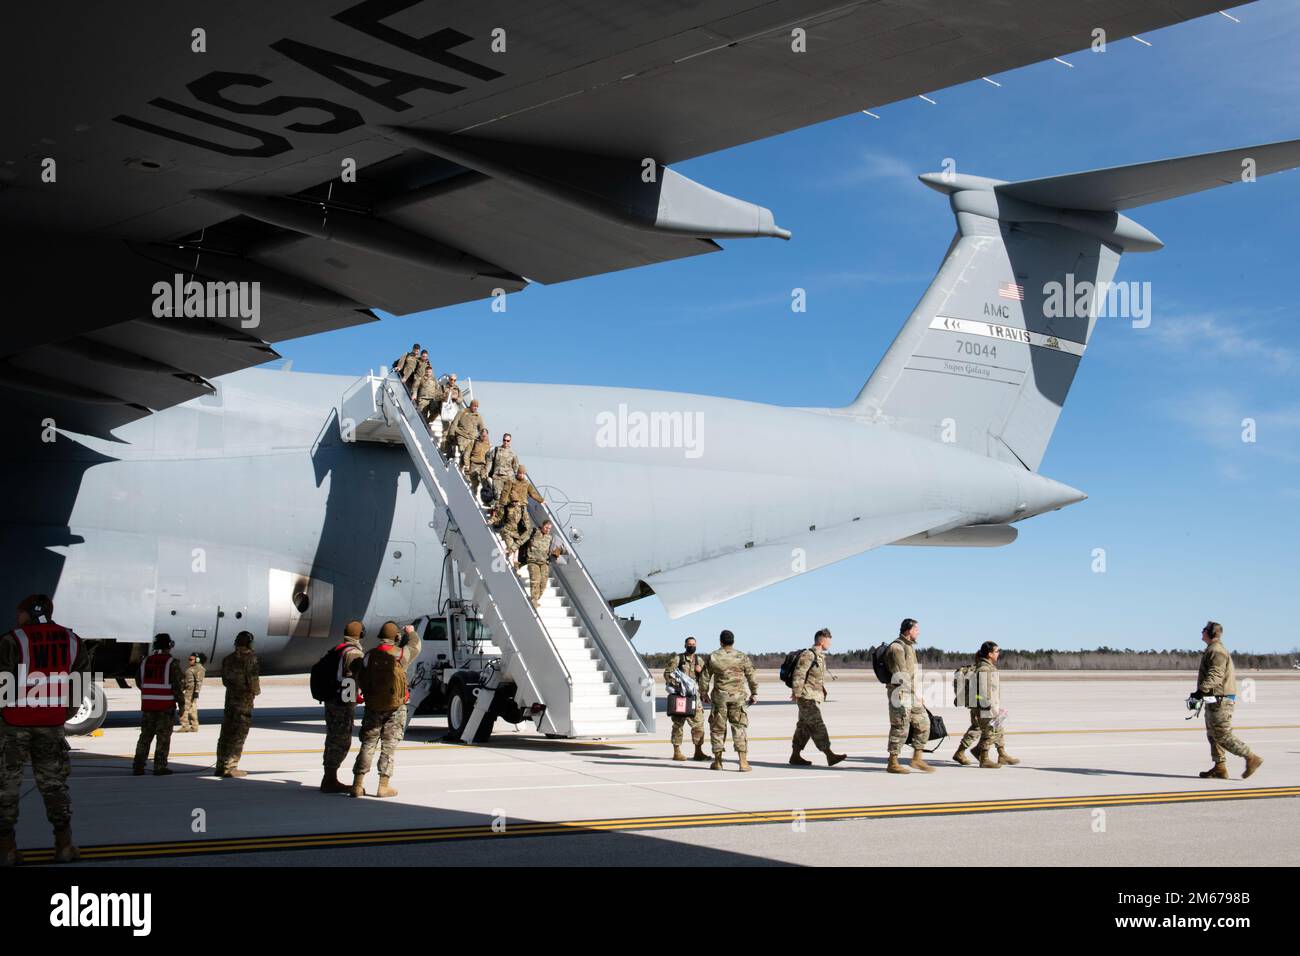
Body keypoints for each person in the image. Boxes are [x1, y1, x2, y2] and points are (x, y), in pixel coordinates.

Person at [0, 594, 88, 865]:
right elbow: (80, 684)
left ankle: (6, 851)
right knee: (54, 787)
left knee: (6, 787)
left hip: (13, 725)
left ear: (28, 612)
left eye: (20, 613)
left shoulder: (13, 640)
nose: (17, 618)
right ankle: (64, 846)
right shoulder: (73, 641)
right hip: (51, 725)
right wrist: (64, 714)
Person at [351, 622, 422, 798]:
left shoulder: (369, 656)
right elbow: (416, 646)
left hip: (373, 706)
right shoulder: (400, 654)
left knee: (368, 744)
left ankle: (357, 785)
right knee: (388, 746)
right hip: (395, 708)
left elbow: (359, 676)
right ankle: (383, 786)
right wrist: (411, 633)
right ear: (396, 638)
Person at [1195, 621, 1262, 780]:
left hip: (1221, 699)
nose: (1202, 631)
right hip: (1214, 698)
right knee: (1213, 734)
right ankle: (1220, 767)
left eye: (1204, 630)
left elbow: (1216, 675)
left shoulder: (1217, 651)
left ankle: (1251, 757)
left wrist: (1200, 691)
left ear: (1212, 633)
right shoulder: (1212, 649)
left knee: (1222, 734)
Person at [952, 641, 1017, 768]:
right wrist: (991, 708)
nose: (998, 654)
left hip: (983, 706)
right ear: (989, 654)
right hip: (984, 707)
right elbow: (983, 692)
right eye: (997, 651)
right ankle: (984, 758)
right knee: (991, 730)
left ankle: (1001, 753)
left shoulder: (987, 667)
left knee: (991, 728)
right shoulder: (984, 669)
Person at [321, 621, 366, 793]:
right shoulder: (353, 653)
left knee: (332, 737)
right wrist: (353, 700)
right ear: (360, 634)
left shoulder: (337, 649)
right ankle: (330, 779)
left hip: (331, 699)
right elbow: (352, 678)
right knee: (341, 740)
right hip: (342, 702)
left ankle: (329, 776)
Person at [789, 628, 845, 767]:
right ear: (821, 640)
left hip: (812, 696)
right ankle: (829, 754)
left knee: (804, 727)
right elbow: (799, 673)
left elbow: (815, 678)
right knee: (818, 725)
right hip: (806, 697)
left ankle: (795, 756)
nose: (830, 643)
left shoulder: (820, 656)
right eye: (829, 640)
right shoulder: (809, 654)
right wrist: (796, 692)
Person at [704, 630, 758, 772]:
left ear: (721, 641)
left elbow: (705, 676)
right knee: (739, 727)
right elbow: (751, 675)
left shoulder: (714, 656)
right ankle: (743, 762)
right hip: (738, 698)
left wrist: (703, 692)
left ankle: (718, 762)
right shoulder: (742, 657)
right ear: (733, 641)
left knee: (717, 729)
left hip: (719, 698)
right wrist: (754, 692)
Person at [132, 633, 184, 776]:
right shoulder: (171, 662)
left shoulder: (145, 661)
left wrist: (149, 692)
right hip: (165, 706)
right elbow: (178, 686)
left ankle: (138, 765)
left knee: (145, 736)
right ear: (169, 646)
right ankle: (159, 766)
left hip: (148, 706)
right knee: (163, 737)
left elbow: (138, 681)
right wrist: (182, 704)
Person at [885, 618, 933, 774]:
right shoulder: (897, 647)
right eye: (916, 629)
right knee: (900, 727)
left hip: (911, 694)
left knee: (924, 724)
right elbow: (901, 675)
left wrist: (917, 694)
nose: (918, 631)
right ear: (908, 630)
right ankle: (893, 762)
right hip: (900, 694)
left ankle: (917, 759)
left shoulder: (910, 647)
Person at [214, 631, 261, 778]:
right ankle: (231, 767)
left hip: (230, 701)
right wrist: (256, 692)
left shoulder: (227, 659)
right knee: (239, 733)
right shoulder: (251, 659)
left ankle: (220, 765)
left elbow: (225, 681)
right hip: (244, 701)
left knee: (226, 733)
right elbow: (253, 681)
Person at [663, 636, 709, 762]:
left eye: (693, 644)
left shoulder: (699, 660)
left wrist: (701, 672)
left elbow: (705, 678)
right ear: (685, 645)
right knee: (678, 724)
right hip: (680, 697)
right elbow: (667, 674)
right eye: (689, 644)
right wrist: (678, 683)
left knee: (698, 724)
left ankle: (698, 752)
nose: (691, 646)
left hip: (694, 698)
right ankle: (677, 752)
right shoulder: (678, 659)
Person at [495, 466, 544, 564]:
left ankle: (514, 548)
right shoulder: (511, 481)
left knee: (527, 530)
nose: (522, 475)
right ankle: (513, 552)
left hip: (522, 508)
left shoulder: (526, 483)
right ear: (517, 473)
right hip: (512, 506)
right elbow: (505, 493)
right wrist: (502, 505)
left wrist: (541, 500)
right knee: (512, 527)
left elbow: (532, 493)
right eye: (520, 473)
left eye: (523, 474)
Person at [522, 519, 566, 607]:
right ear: (542, 525)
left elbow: (563, 549)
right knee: (535, 580)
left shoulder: (550, 538)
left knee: (543, 583)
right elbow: (522, 540)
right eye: (546, 527)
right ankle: (533, 600)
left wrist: (558, 550)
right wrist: (511, 549)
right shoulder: (534, 532)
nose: (547, 530)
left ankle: (536, 598)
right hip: (533, 561)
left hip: (544, 562)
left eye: (549, 529)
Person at [443, 398, 485, 464]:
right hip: (461, 435)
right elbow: (454, 423)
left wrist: (483, 438)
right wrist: (451, 434)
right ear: (471, 405)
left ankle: (464, 466)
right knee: (449, 442)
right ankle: (450, 457)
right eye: (474, 406)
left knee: (466, 454)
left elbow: (482, 429)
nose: (475, 408)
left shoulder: (478, 416)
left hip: (471, 438)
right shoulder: (462, 412)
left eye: (477, 407)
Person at [488, 432, 519, 503]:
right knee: (497, 496)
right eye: (504, 440)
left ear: (510, 441)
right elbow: (489, 461)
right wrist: (487, 472)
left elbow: (515, 467)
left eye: (508, 441)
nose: (506, 442)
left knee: (506, 498)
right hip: (497, 477)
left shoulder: (513, 453)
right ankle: (496, 512)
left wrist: (513, 478)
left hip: (508, 478)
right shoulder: (496, 450)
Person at [178, 652, 205, 732]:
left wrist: (196, 692)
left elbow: (199, 681)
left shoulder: (198, 669)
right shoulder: (194, 668)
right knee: (192, 708)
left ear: (197, 660)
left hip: (190, 692)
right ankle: (194, 726)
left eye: (191, 659)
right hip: (190, 690)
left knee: (184, 708)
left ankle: (185, 726)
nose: (189, 661)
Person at [465, 427, 492, 500]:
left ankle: (486, 500)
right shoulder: (474, 442)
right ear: (480, 435)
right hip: (474, 465)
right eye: (482, 435)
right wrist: (467, 465)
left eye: (485, 436)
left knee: (485, 483)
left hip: (483, 466)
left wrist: (487, 469)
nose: (484, 437)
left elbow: (489, 459)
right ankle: (473, 497)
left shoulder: (489, 445)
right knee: (474, 483)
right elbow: (467, 454)